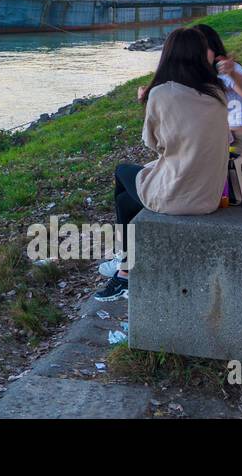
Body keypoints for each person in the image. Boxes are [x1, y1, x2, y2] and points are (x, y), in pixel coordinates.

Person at [95, 27, 231, 302]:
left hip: (179, 195)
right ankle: (124, 266)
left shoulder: (161, 93)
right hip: (211, 194)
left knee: (122, 173)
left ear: (168, 55)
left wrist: (146, 102)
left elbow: (154, 145)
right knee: (126, 201)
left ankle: (124, 270)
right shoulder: (216, 91)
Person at [196, 23, 242, 179]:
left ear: (213, 48)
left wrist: (233, 75)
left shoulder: (228, 70)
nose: (196, 54)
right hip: (216, 137)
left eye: (202, 48)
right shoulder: (195, 72)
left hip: (239, 139)